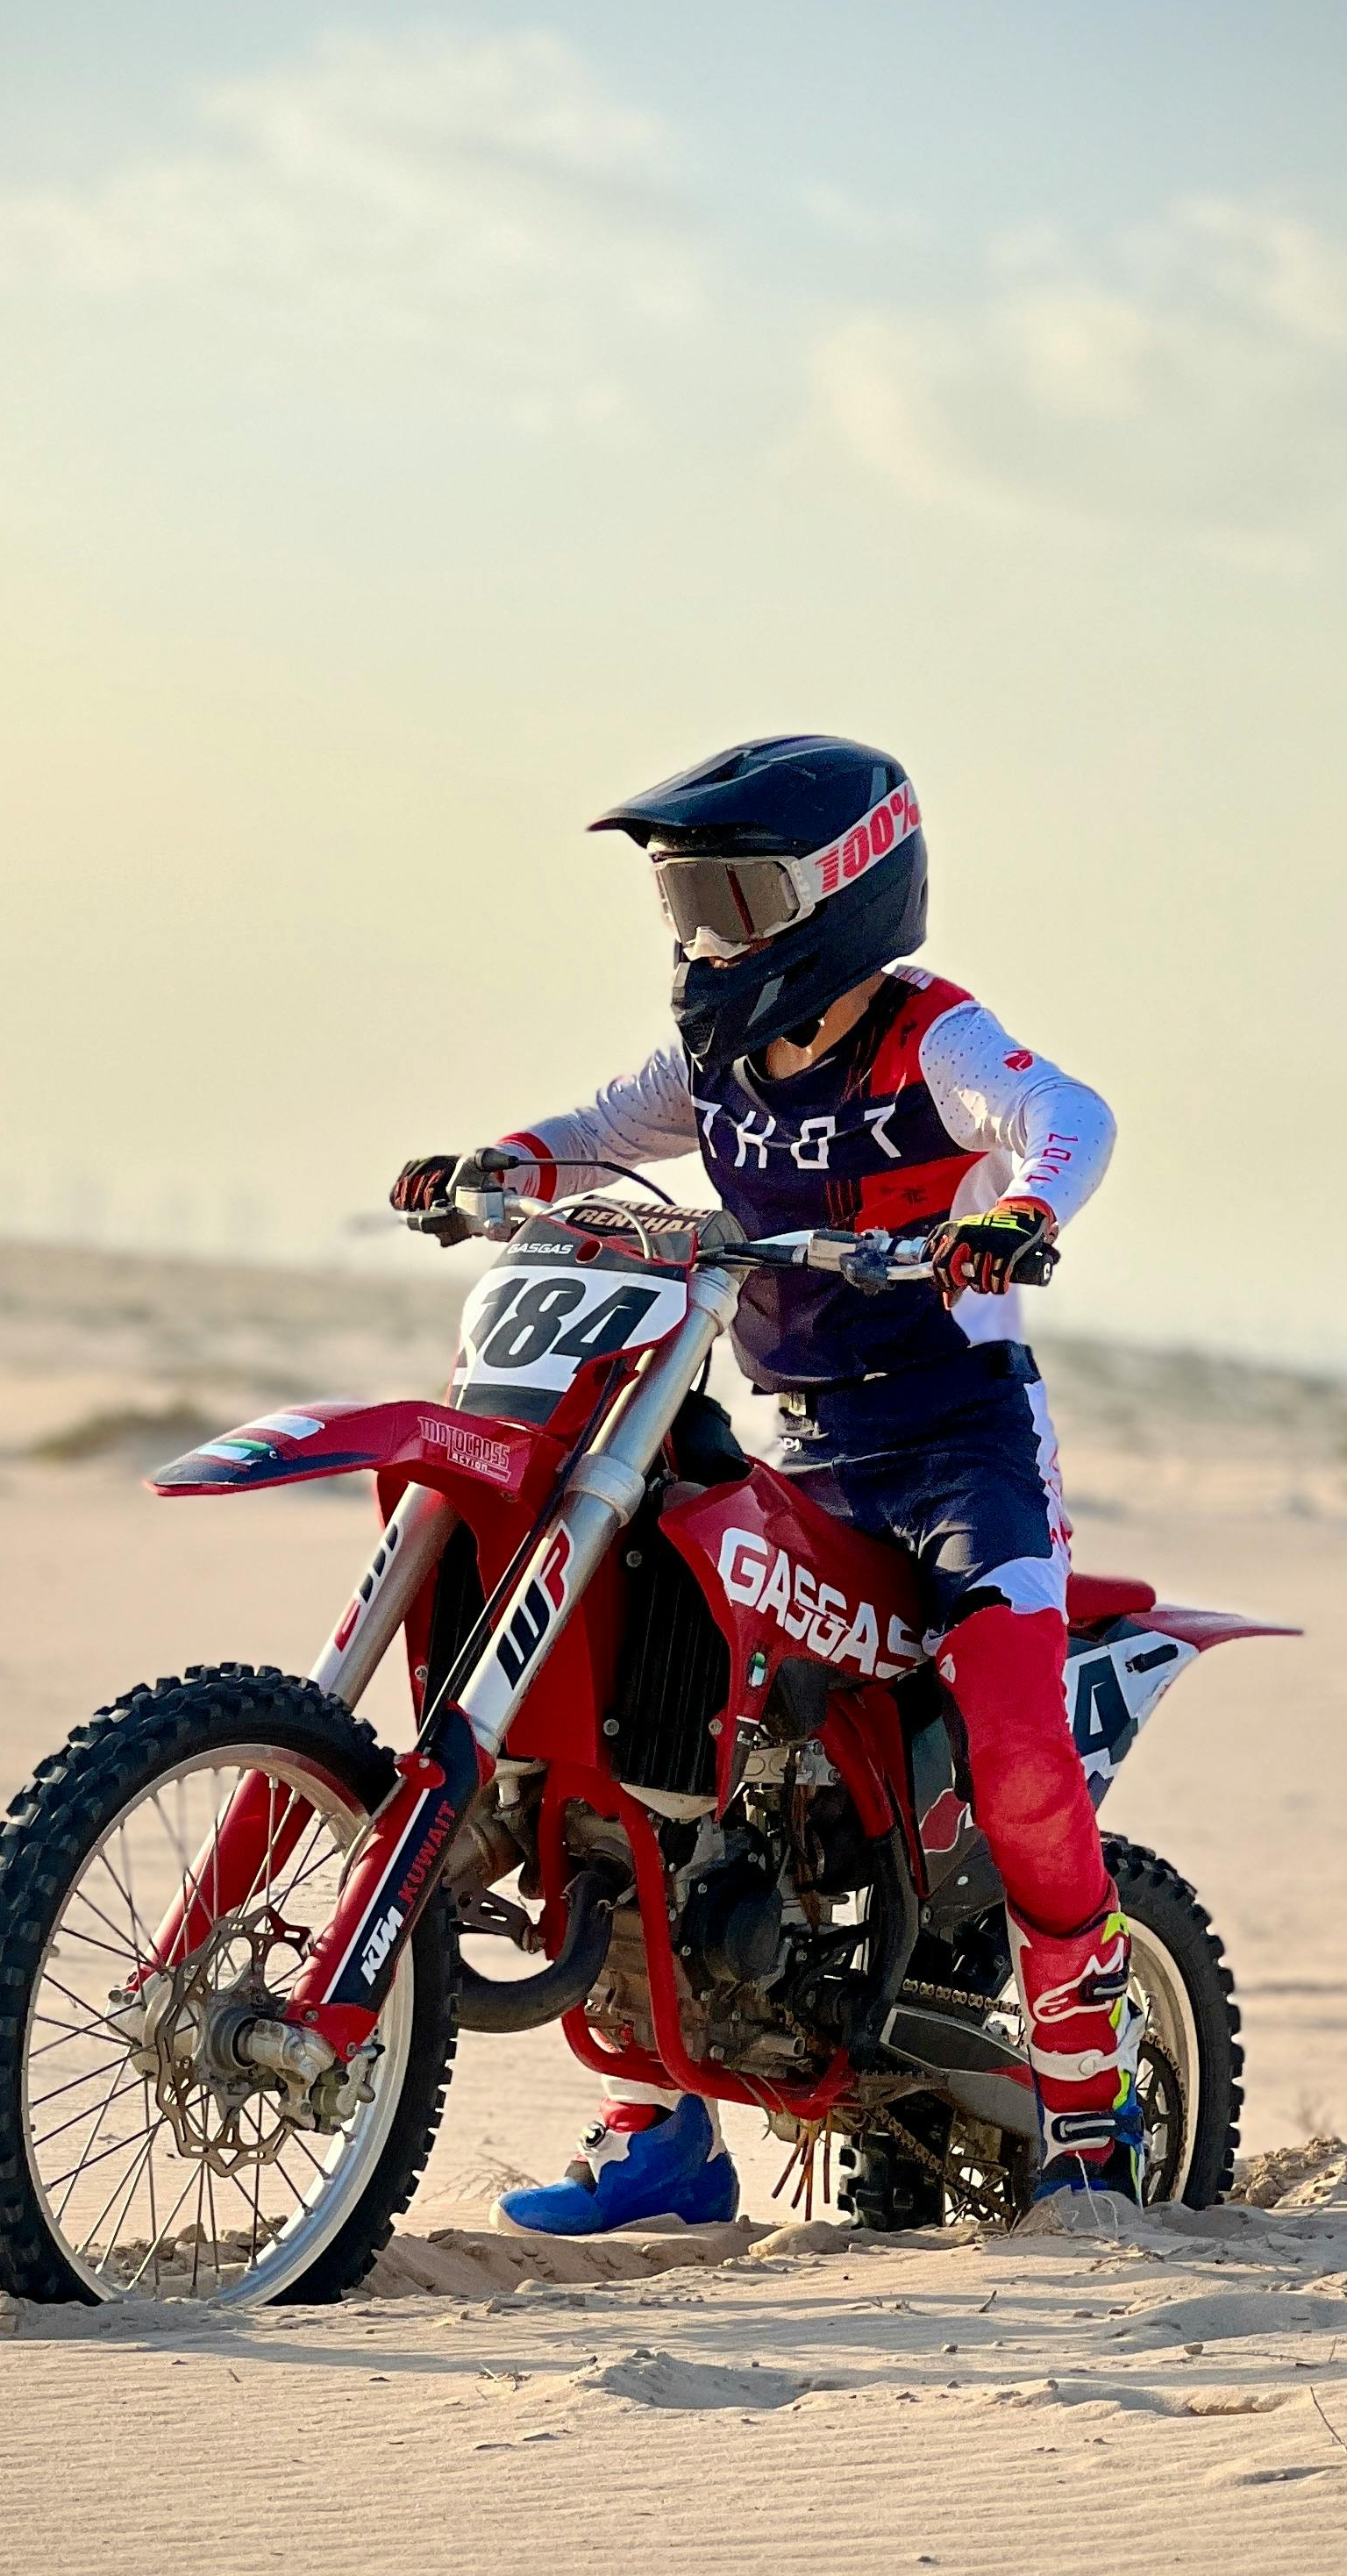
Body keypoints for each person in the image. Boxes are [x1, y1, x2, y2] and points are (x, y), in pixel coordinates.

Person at [389, 734, 1132, 2236]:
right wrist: (492, 1167)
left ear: (844, 897)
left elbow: (1071, 1115)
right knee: (657, 1711)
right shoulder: (712, 1069)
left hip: (958, 1449)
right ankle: (658, 2132)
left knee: (1015, 1737)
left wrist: (1025, 1211)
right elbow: (594, 1138)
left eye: (735, 901)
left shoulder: (930, 1038)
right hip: (799, 1442)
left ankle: (1090, 2101)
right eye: (686, 903)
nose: (706, 940)